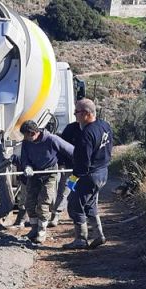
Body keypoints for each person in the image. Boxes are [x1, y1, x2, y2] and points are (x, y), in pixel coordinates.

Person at [64, 99, 113, 250]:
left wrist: (74, 177)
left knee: (74, 204)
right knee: (89, 204)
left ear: (86, 113)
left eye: (77, 112)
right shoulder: (105, 126)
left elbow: (82, 160)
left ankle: (81, 239)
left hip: (89, 175)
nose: (74, 114)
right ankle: (99, 235)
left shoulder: (86, 133)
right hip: (102, 172)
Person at [19, 120, 74, 244]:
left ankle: (41, 232)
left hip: (49, 174)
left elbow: (71, 151)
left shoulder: (52, 140)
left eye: (26, 135)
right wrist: (27, 166)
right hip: (33, 174)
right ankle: (33, 229)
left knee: (44, 203)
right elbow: (24, 158)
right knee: (30, 202)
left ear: (33, 133)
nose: (25, 138)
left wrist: (80, 164)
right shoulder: (26, 143)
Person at [51, 120, 82, 227]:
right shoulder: (70, 129)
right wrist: (62, 163)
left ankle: (86, 216)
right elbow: (61, 147)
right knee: (65, 190)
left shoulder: (93, 128)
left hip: (87, 169)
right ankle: (56, 214)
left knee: (87, 193)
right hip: (71, 169)